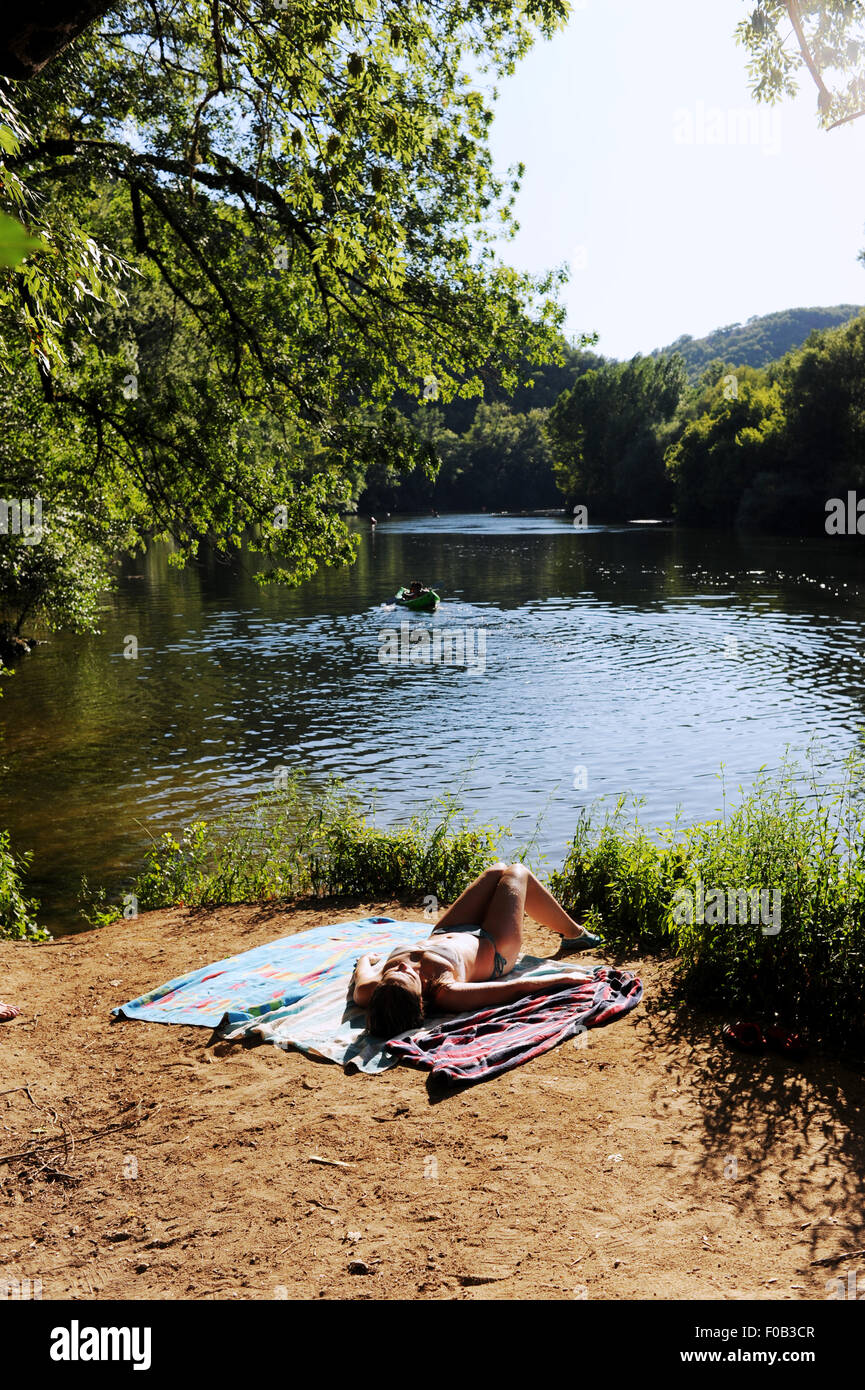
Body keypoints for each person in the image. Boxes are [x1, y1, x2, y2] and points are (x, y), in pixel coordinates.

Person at [351, 862, 601, 1039]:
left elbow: (362, 971)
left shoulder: (368, 992)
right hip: (495, 945)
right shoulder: (445, 992)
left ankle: (572, 931)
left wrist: (366, 959)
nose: (401, 966)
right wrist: (564, 979)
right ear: (419, 998)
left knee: (496, 871)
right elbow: (512, 989)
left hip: (448, 930)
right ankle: (575, 934)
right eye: (407, 975)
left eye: (391, 971)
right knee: (517, 872)